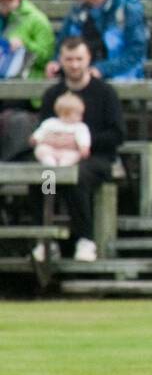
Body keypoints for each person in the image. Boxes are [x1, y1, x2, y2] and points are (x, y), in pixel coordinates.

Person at [33, 36, 123, 263]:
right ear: (61, 60)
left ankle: (85, 239)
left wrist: (82, 142)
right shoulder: (52, 95)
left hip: (96, 159)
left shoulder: (105, 93)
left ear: (88, 59)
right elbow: (42, 128)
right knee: (43, 182)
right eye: (69, 59)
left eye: (79, 59)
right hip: (55, 159)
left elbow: (117, 134)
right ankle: (46, 241)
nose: (74, 64)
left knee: (76, 178)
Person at [56, 0, 147, 80]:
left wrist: (102, 69)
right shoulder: (77, 9)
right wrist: (56, 62)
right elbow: (63, 40)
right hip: (80, 72)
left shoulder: (128, 7)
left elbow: (136, 52)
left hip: (119, 74)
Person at [0, 0, 55, 75]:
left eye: (7, 3)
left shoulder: (37, 19)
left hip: (27, 81)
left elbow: (47, 57)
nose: (2, 8)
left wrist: (25, 45)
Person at [31, 91, 90, 168]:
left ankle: (64, 165)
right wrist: (36, 138)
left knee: (74, 155)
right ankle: (49, 162)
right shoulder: (51, 122)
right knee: (41, 149)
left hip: (68, 151)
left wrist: (84, 147)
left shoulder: (80, 126)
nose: (81, 117)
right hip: (50, 149)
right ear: (66, 113)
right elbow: (41, 131)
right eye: (78, 114)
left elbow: (83, 137)